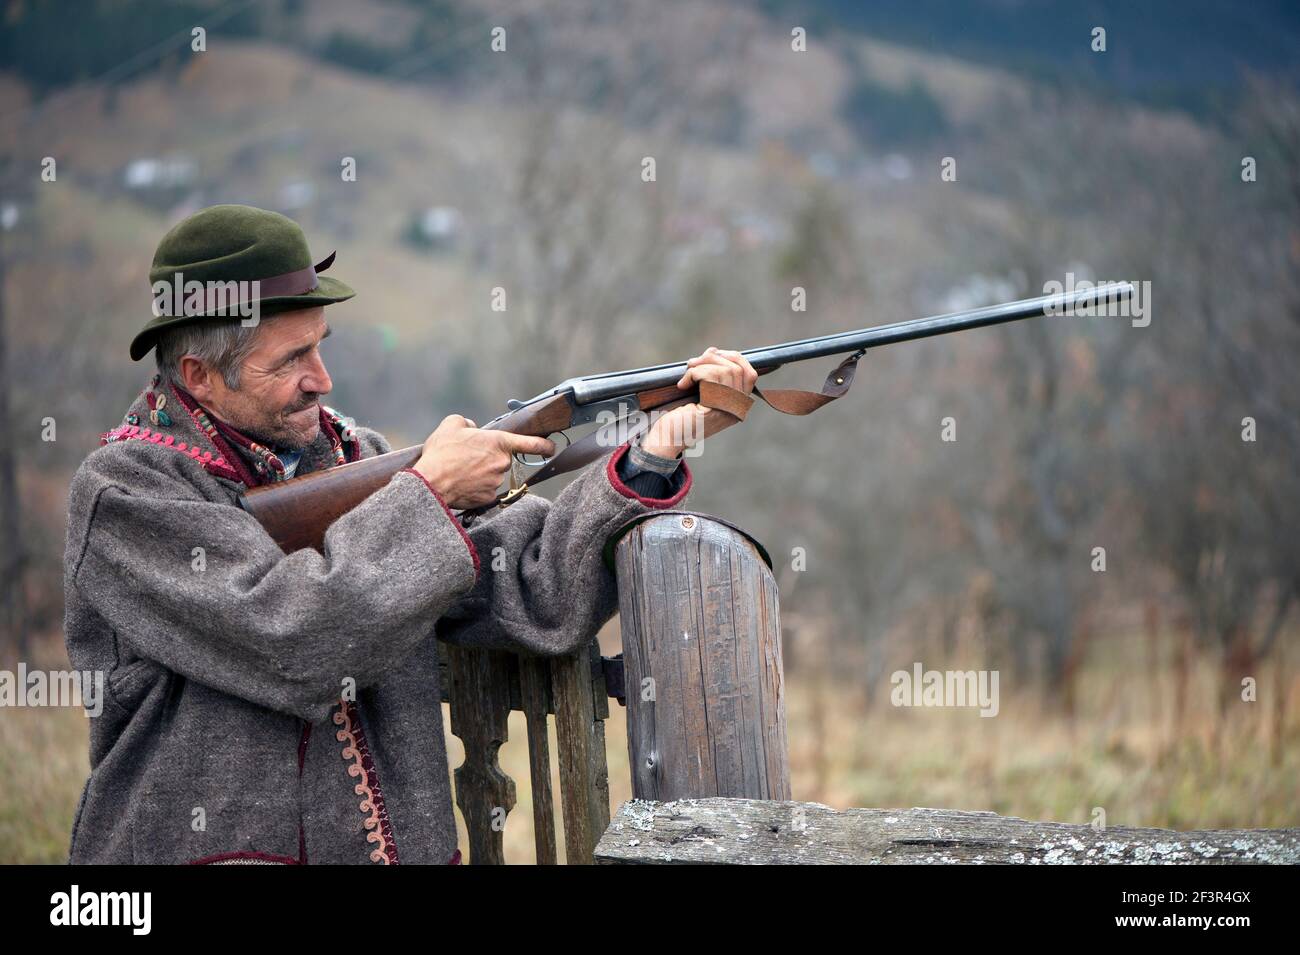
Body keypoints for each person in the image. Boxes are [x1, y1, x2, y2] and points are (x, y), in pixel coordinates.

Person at [62, 204, 757, 863]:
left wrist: (657, 450)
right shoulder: (128, 494)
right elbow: (293, 637)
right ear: (200, 376)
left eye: (320, 348)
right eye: (291, 360)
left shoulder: (355, 459)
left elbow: (537, 590)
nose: (322, 380)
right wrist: (431, 493)